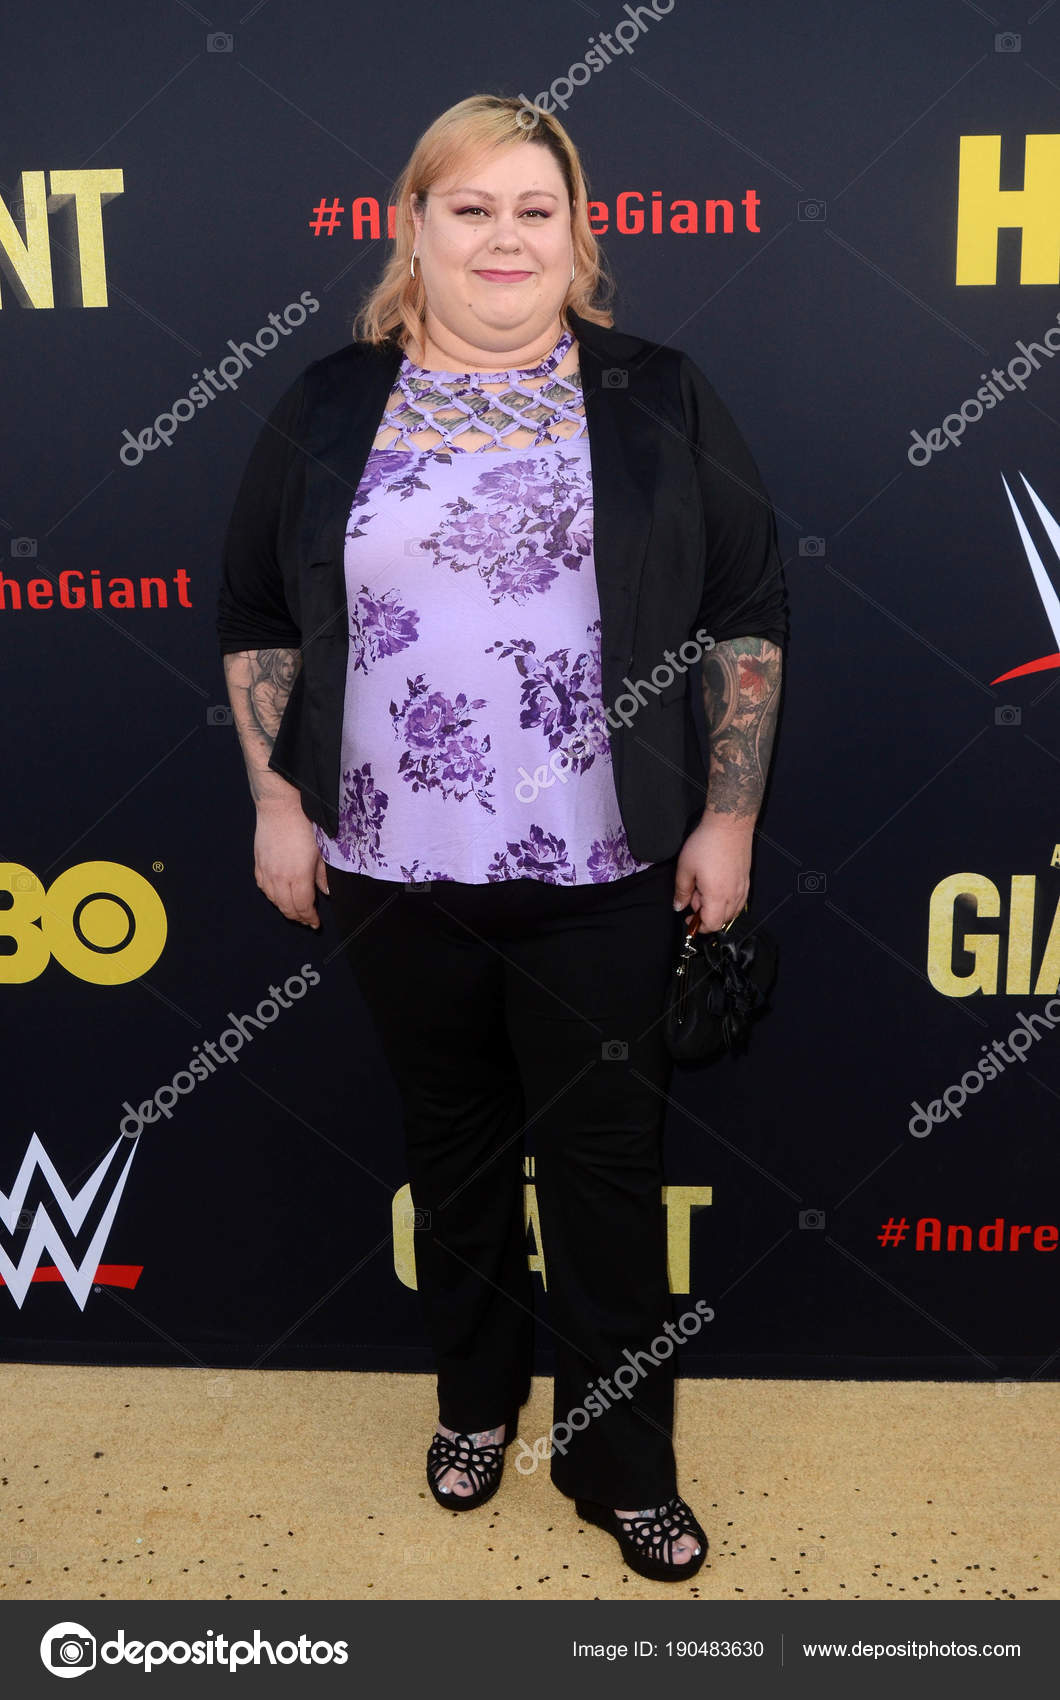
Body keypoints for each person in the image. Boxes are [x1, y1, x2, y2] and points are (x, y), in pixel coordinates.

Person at [216, 93, 787, 1585]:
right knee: (454, 1153)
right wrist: (278, 799)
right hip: (390, 868)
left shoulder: (658, 394)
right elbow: (260, 615)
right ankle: (474, 1406)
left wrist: (729, 815)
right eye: (470, 208)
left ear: (577, 234)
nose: (504, 237)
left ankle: (622, 1465)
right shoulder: (331, 403)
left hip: (602, 870)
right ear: (413, 227)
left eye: (536, 209)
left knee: (606, 1175)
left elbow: (745, 610)